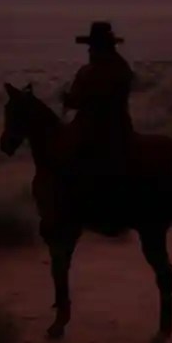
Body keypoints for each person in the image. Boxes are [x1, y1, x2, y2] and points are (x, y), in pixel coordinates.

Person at [61, 22, 135, 229]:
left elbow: (79, 100)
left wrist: (68, 99)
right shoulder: (121, 67)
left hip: (96, 127)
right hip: (119, 125)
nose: (90, 51)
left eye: (92, 47)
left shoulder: (91, 71)